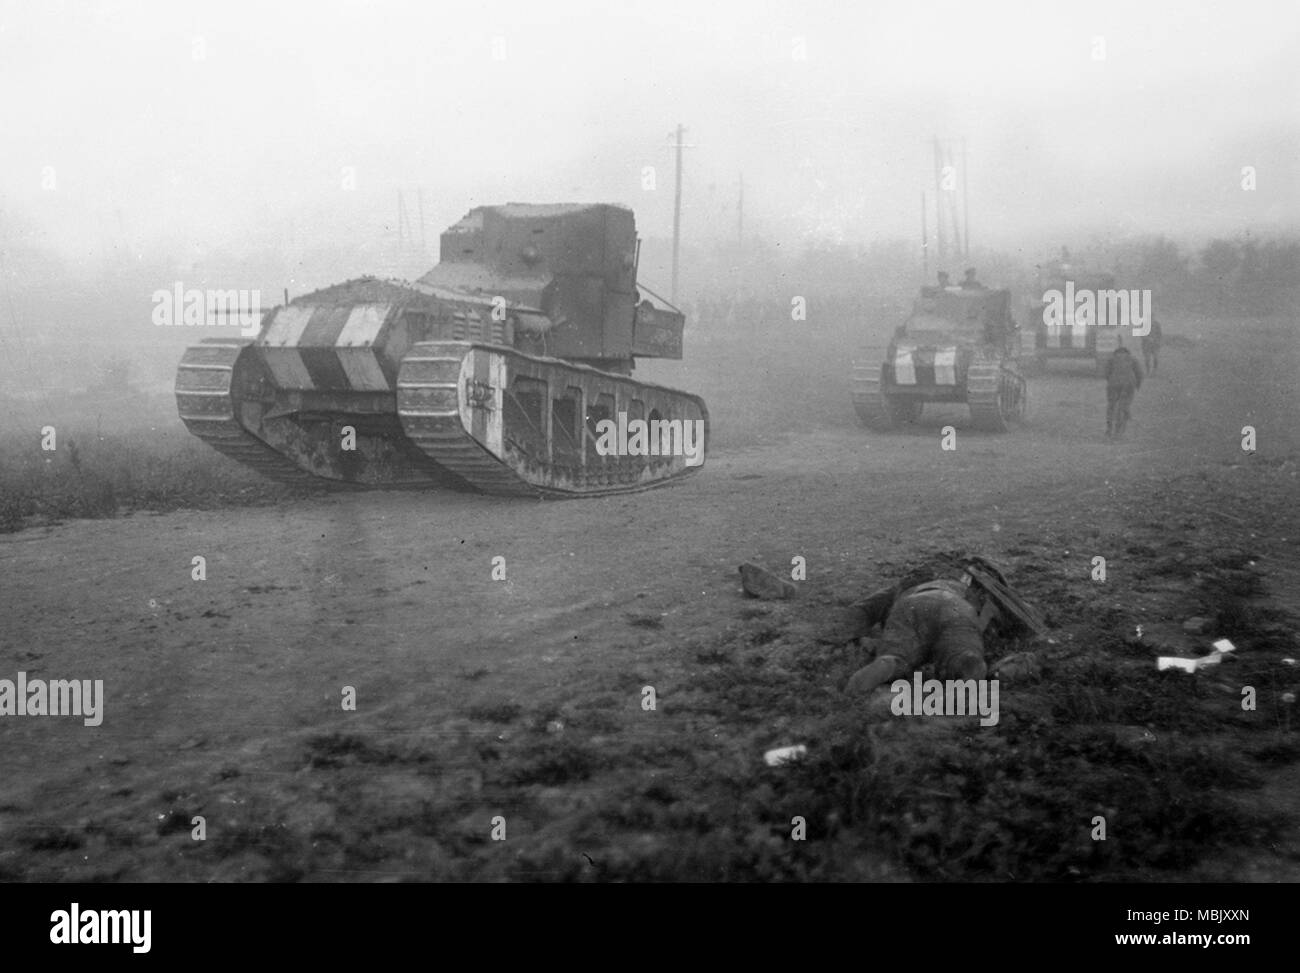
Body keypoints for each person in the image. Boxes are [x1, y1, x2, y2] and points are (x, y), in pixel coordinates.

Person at [844, 575, 988, 695]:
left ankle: (849, 697)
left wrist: (856, 637)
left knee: (894, 660)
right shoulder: (963, 585)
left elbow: (859, 609)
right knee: (966, 658)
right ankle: (958, 701)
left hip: (910, 606)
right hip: (956, 607)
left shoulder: (902, 585)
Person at [1104, 345, 1143, 438]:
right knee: (1124, 406)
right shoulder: (1133, 359)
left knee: (1111, 406)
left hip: (1113, 384)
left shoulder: (1111, 359)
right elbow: (1139, 373)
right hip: (1128, 385)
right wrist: (1138, 385)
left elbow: (1106, 373)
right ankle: (1119, 431)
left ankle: (1109, 429)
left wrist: (1110, 381)